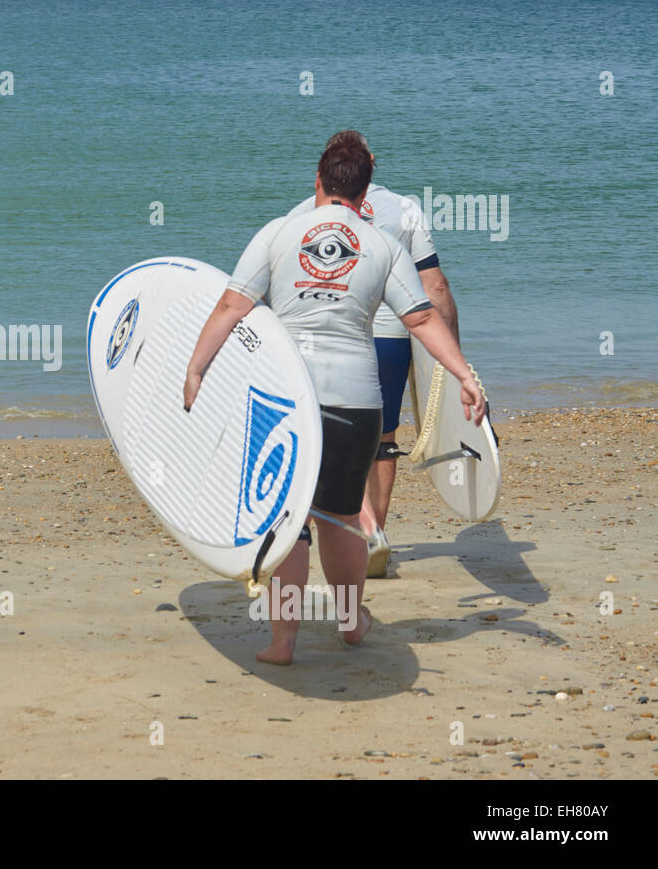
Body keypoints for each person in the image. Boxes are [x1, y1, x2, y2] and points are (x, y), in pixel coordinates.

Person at [183, 138, 484, 665]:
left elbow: (232, 305)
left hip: (285, 398)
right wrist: (464, 374)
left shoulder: (278, 232)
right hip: (355, 401)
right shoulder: (382, 245)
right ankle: (350, 623)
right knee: (342, 518)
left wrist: (196, 368)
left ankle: (282, 643)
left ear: (317, 180)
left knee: (286, 520)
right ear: (365, 192)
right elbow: (420, 317)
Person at [287, 131, 460, 577]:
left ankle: (340, 530)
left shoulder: (303, 214)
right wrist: (452, 357)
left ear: (324, 170)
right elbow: (433, 286)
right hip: (391, 336)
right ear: (370, 166)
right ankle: (374, 534)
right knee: (381, 438)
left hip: (325, 339)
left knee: (325, 436)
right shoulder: (406, 209)